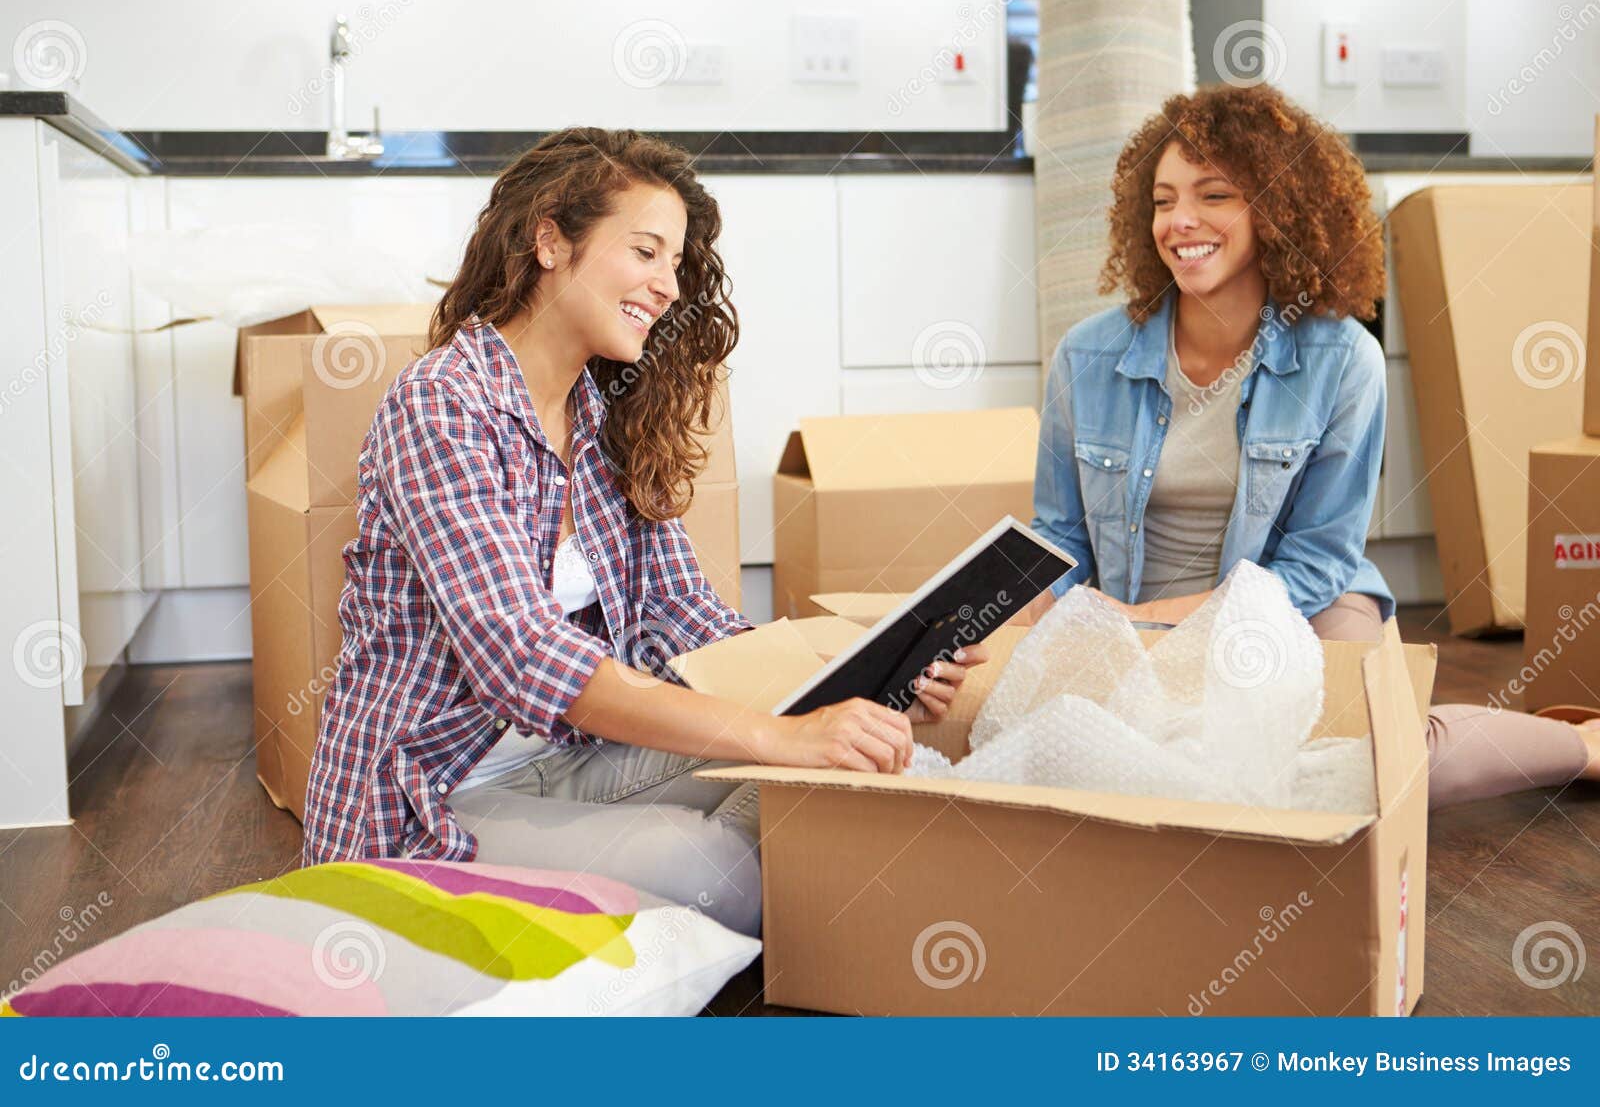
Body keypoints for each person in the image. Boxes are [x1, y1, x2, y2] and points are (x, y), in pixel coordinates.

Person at [298, 128, 989, 935]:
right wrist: (781, 738)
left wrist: (866, 675)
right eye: (647, 251)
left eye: (675, 264)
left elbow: (693, 625)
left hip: (574, 758)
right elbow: (524, 656)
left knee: (838, 783)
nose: (666, 286)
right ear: (550, 239)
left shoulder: (602, 417)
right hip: (437, 793)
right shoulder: (441, 404)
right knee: (721, 869)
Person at [1022, 84, 1599, 808]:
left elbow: (1316, 566)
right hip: (1135, 621)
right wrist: (1011, 618)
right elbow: (1058, 540)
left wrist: (1149, 622)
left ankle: (1580, 745)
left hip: (1302, 609)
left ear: (1278, 210)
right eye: (1164, 200)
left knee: (1371, 762)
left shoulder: (1342, 361)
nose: (1182, 221)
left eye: (1215, 195)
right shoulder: (1088, 356)